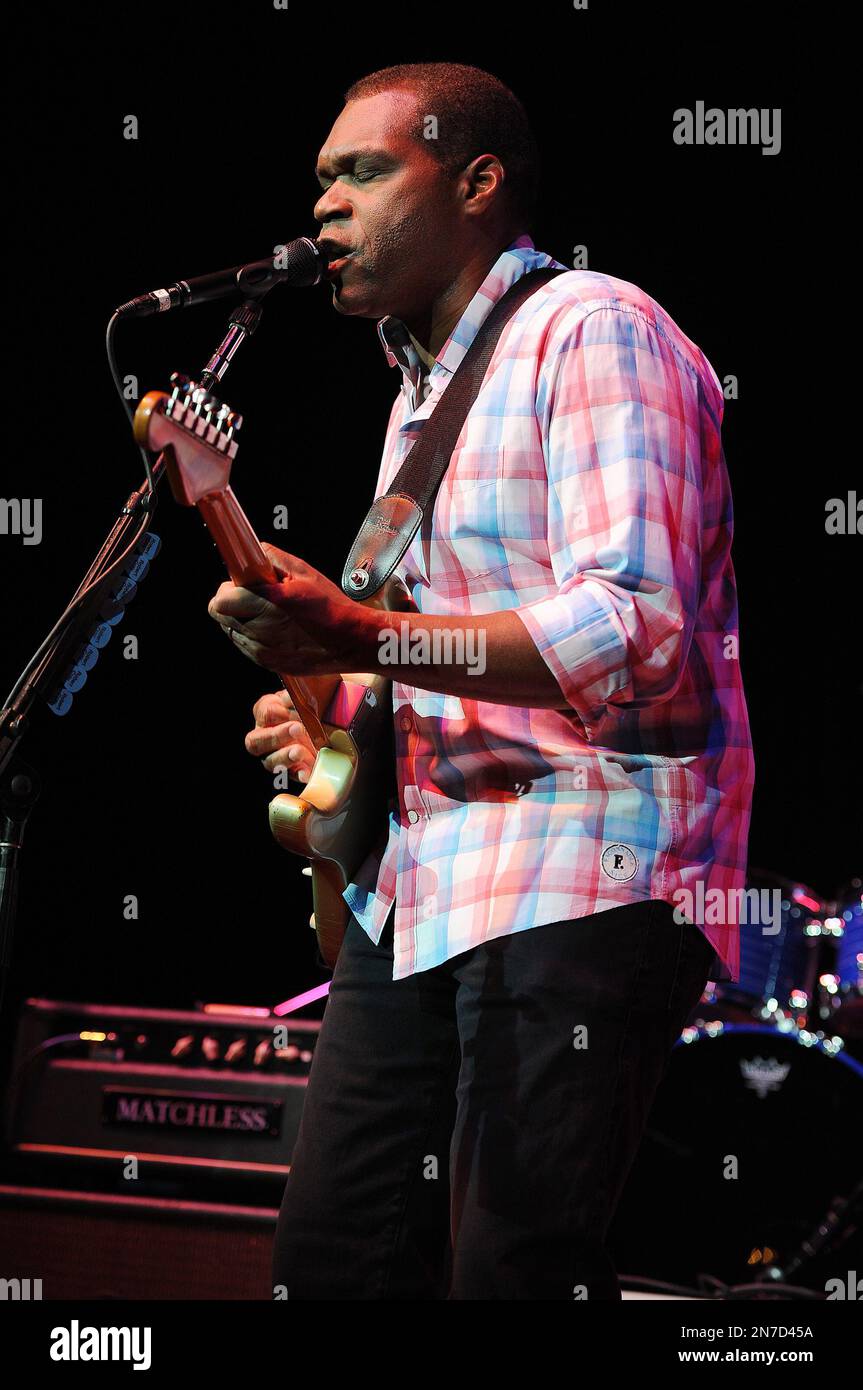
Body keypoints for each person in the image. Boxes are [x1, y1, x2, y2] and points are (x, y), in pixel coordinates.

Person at [207, 62, 755, 1300]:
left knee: (514, 1271)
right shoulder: (414, 401)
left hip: (577, 873)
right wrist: (335, 717)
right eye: (318, 181)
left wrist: (362, 639)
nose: (325, 210)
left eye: (360, 172)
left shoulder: (592, 327)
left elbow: (635, 625)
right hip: (417, 892)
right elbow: (422, 652)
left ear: (475, 182)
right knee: (329, 1262)